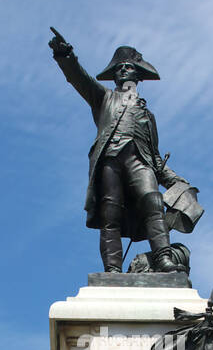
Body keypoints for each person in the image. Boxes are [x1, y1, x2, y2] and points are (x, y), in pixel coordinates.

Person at [48, 31, 191, 273]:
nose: (123, 70)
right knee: (110, 212)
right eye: (119, 67)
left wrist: (176, 181)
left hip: (139, 162)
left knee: (153, 200)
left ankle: (164, 259)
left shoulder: (148, 116)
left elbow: (155, 158)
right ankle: (112, 270)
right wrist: (65, 56)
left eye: (128, 66)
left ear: (138, 74)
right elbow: (80, 79)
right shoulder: (104, 98)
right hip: (110, 160)